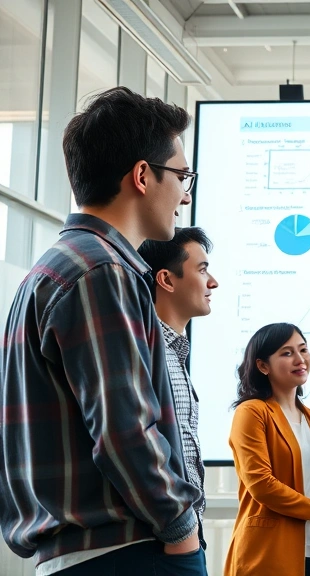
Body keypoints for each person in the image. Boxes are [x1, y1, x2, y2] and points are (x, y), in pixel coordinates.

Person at [0, 87, 204, 575]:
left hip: (83, 554)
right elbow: (125, 429)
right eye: (181, 176)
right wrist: (181, 527)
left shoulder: (52, 269)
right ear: (141, 176)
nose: (185, 193)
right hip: (126, 552)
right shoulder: (102, 272)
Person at [224, 323, 310, 576]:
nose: (300, 359)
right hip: (268, 553)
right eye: (287, 353)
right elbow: (261, 484)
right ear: (263, 366)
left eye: (303, 350)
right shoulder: (252, 412)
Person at [138, 227, 219, 546]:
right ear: (167, 280)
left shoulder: (172, 351)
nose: (213, 282)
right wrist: (182, 529)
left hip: (182, 535)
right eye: (202, 270)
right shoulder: (147, 349)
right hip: (165, 540)